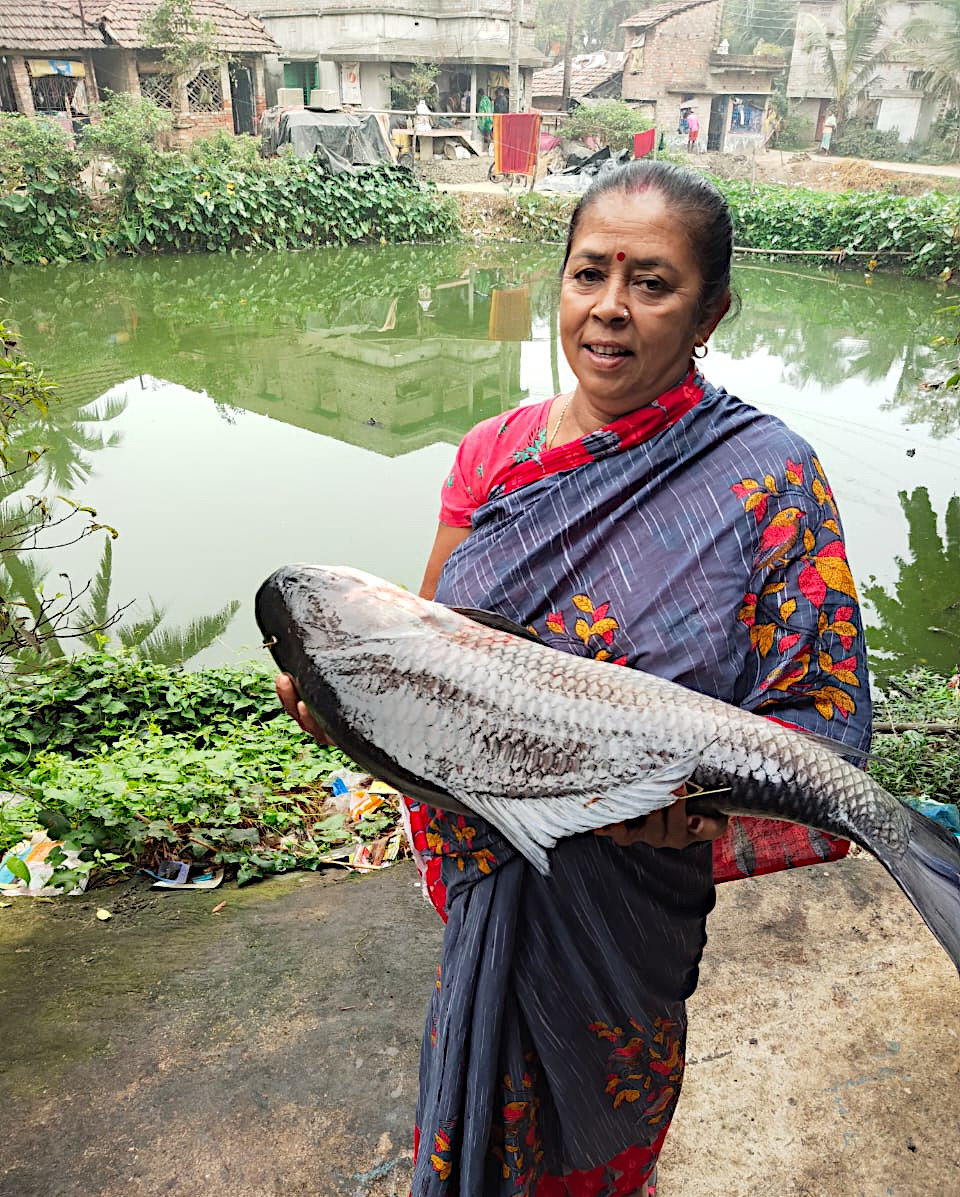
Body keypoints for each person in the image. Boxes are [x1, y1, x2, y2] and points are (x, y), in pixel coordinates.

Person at [276, 161, 872, 1196]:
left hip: (630, 899)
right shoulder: (495, 454)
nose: (609, 307)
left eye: (653, 283)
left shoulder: (768, 475)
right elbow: (431, 662)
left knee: (605, 1128)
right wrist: (350, 710)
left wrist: (692, 812)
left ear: (710, 314)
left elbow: (817, 722)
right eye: (590, 273)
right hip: (487, 868)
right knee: (483, 1095)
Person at [477, 88, 494, 153]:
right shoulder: (488, 99)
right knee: (491, 134)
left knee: (487, 135)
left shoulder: (482, 101)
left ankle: (489, 149)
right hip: (490, 119)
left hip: (485, 120)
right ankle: (493, 148)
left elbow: (482, 111)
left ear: (479, 94)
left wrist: (481, 122)